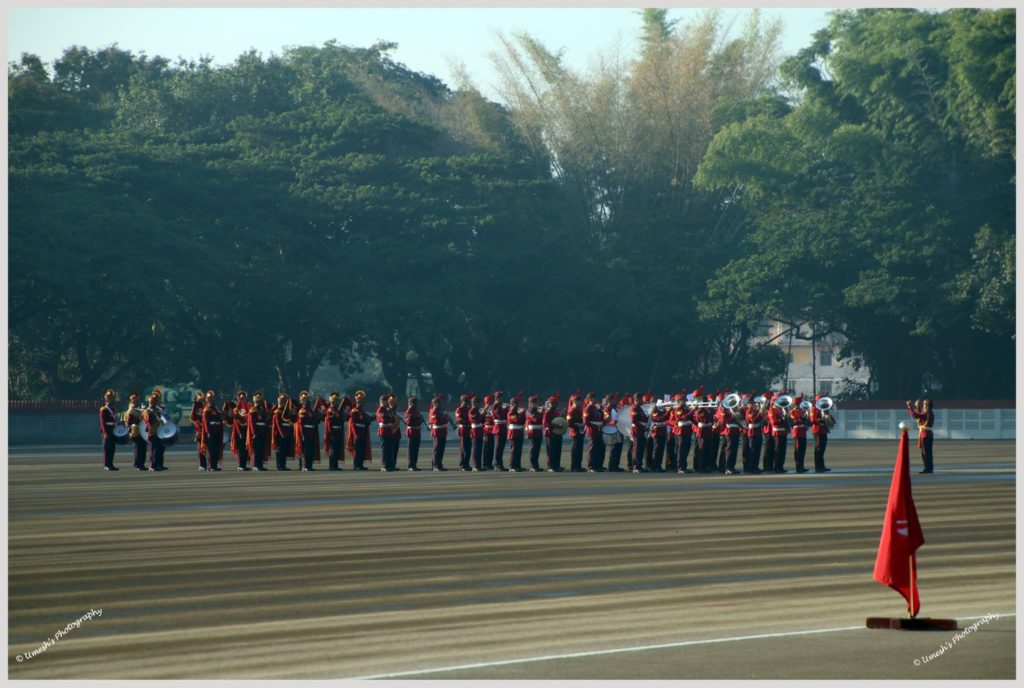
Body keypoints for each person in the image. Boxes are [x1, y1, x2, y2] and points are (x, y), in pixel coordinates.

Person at [295, 392, 325, 471]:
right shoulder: (302, 411)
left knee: (311, 450)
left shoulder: (310, 411)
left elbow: (314, 420)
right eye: (307, 401)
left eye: (308, 401)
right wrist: (303, 435)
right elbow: (301, 424)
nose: (308, 402)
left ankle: (309, 465)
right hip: (306, 434)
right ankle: (305, 466)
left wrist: (319, 415)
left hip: (312, 433)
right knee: (306, 451)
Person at [907, 398, 935, 473]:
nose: (923, 406)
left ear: (927, 406)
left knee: (925, 453)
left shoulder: (927, 412)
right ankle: (929, 468)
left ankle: (927, 468)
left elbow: (915, 415)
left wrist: (910, 407)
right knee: (928, 452)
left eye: (924, 404)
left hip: (925, 434)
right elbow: (921, 414)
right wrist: (917, 406)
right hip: (928, 434)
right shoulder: (929, 412)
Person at [323, 392, 349, 471]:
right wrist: (332, 433)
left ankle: (335, 465)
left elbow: (341, 419)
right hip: (333, 432)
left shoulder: (337, 410)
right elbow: (329, 423)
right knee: (333, 450)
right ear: (332, 402)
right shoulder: (330, 410)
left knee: (337, 449)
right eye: (335, 402)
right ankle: (332, 466)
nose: (337, 403)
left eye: (337, 402)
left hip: (338, 431)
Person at [247, 391, 272, 471]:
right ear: (254, 402)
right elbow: (251, 423)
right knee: (256, 450)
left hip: (262, 432)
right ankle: (255, 465)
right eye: (257, 402)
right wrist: (254, 433)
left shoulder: (262, 410)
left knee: (261, 450)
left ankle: (260, 465)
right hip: (256, 432)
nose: (259, 403)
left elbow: (265, 421)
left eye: (260, 401)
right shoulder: (252, 411)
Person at [347, 390, 372, 470]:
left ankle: (360, 464)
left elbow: (365, 421)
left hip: (362, 433)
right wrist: (355, 435)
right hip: (357, 434)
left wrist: (370, 419)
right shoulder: (354, 411)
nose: (361, 404)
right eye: (360, 402)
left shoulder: (362, 411)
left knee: (362, 450)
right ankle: (356, 465)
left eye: (362, 402)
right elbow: (352, 424)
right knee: (357, 450)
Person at [201, 391, 225, 471]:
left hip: (217, 432)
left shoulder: (216, 410)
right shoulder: (206, 410)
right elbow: (206, 423)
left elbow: (221, 418)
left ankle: (214, 465)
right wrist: (208, 432)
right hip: (211, 433)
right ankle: (211, 466)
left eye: (213, 399)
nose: (212, 401)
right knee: (211, 450)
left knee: (216, 449)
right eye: (210, 399)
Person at [143, 393, 166, 471]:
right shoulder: (147, 411)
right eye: (153, 401)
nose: (154, 403)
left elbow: (164, 419)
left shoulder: (158, 410)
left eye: (155, 401)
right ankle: (152, 466)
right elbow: (148, 421)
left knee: (160, 450)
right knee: (153, 450)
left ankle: (158, 464)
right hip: (152, 432)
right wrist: (155, 414)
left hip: (160, 432)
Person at [809, 395, 832, 473]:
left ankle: (822, 466)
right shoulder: (814, 409)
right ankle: (818, 467)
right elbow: (812, 420)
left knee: (822, 449)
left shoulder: (824, 409)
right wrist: (821, 419)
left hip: (823, 430)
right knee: (818, 449)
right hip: (817, 430)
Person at [124, 391, 147, 470]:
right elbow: (128, 422)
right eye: (135, 400)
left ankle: (141, 464)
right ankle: (137, 465)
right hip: (135, 430)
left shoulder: (140, 409)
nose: (136, 401)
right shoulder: (131, 410)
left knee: (143, 448)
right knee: (137, 448)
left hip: (142, 430)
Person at [272, 394, 296, 471]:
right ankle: (279, 465)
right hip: (280, 434)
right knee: (280, 450)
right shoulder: (277, 412)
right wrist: (282, 434)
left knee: (285, 450)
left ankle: (283, 465)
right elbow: (278, 425)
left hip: (287, 433)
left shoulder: (287, 412)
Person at [584, 392, 606, 472]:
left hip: (599, 431)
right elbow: (586, 421)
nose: (596, 399)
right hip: (592, 431)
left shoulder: (596, 408)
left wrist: (601, 410)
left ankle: (598, 465)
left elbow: (601, 418)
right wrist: (596, 426)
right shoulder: (588, 409)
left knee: (599, 449)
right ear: (590, 399)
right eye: (594, 398)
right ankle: (591, 466)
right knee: (592, 449)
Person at [543, 392, 564, 472]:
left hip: (558, 433)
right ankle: (551, 466)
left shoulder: (557, 411)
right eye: (552, 403)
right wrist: (554, 426)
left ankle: (557, 465)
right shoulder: (547, 412)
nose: (554, 405)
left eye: (555, 403)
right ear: (549, 404)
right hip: (550, 433)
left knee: (558, 450)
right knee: (551, 451)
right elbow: (545, 424)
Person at [231, 391, 252, 471]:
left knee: (246, 449)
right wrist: (239, 432)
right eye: (241, 398)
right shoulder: (236, 409)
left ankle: (244, 465)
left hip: (246, 430)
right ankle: (240, 465)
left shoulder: (248, 406)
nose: (242, 399)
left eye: (243, 398)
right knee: (241, 449)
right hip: (239, 431)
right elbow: (236, 421)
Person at [376, 394, 398, 472]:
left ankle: (389, 465)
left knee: (389, 449)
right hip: (384, 430)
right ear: (382, 401)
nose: (387, 402)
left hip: (389, 430)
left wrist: (390, 415)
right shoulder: (380, 410)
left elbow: (392, 419)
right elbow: (384, 419)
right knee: (384, 450)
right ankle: (384, 466)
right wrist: (390, 416)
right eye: (385, 401)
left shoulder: (387, 410)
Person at [743, 395, 764, 474]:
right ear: (751, 403)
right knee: (753, 451)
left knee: (757, 451)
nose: (756, 404)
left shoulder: (755, 410)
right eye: (754, 403)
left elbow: (760, 420)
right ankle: (752, 467)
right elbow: (753, 420)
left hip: (757, 432)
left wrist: (761, 413)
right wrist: (760, 413)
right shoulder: (749, 411)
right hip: (752, 433)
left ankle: (756, 466)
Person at [99, 388, 119, 471]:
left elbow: (115, 420)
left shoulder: (113, 409)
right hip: (107, 430)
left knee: (112, 449)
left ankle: (111, 464)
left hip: (113, 430)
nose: (112, 400)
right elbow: (102, 422)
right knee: (107, 449)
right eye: (110, 398)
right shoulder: (104, 409)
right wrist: (105, 432)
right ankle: (106, 465)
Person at [428, 395, 450, 471]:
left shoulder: (441, 410)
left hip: (442, 431)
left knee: (441, 449)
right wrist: (445, 418)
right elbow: (436, 421)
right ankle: (435, 465)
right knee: (437, 449)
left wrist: (446, 417)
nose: (440, 404)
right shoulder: (434, 410)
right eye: (438, 403)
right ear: (435, 403)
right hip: (437, 431)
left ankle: (439, 464)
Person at [768, 396, 789, 473]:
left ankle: (781, 466)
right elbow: (774, 422)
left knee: (782, 451)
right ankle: (777, 467)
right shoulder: (772, 410)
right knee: (778, 451)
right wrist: (782, 420)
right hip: (777, 432)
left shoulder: (780, 410)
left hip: (783, 432)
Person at [789, 396, 809, 473]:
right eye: (800, 402)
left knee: (802, 450)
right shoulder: (793, 412)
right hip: (797, 432)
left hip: (802, 431)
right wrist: (803, 418)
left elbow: (804, 420)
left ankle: (802, 466)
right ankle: (798, 467)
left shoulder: (801, 411)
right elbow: (795, 421)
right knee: (798, 450)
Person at [566, 392, 586, 472]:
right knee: (575, 450)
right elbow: (568, 423)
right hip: (575, 432)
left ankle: (578, 466)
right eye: (578, 401)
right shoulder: (571, 411)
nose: (580, 403)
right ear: (574, 402)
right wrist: (578, 425)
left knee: (579, 450)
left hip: (580, 432)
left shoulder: (580, 410)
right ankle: (574, 466)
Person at [506, 394, 526, 472]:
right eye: (515, 403)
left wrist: (522, 414)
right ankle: (512, 466)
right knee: (514, 450)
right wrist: (521, 413)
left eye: (517, 403)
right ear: (512, 404)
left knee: (518, 450)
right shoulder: (510, 412)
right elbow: (516, 420)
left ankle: (517, 465)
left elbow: (522, 421)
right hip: (513, 432)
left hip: (519, 432)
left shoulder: (517, 412)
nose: (516, 405)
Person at [525, 394, 544, 472]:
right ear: (529, 403)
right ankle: (533, 466)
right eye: (533, 402)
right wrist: (541, 413)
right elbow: (535, 419)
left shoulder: (535, 409)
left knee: (537, 449)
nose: (535, 403)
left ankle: (536, 465)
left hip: (538, 431)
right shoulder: (530, 410)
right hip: (533, 431)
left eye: (535, 402)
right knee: (533, 449)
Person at [630, 395, 649, 473]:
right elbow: (634, 420)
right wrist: (642, 427)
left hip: (641, 431)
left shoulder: (639, 408)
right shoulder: (634, 408)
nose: (642, 401)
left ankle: (639, 465)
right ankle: (635, 467)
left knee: (641, 449)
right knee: (637, 449)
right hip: (637, 431)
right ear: (637, 399)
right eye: (641, 399)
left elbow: (642, 419)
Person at [404, 396, 424, 471]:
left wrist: (420, 420)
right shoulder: (408, 412)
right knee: (411, 450)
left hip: (417, 432)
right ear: (409, 404)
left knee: (416, 449)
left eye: (415, 403)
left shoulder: (416, 411)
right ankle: (410, 465)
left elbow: (419, 420)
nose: (415, 405)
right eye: (413, 403)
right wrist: (416, 419)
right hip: (411, 432)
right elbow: (408, 422)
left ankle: (414, 464)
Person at [189, 392, 207, 470]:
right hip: (200, 430)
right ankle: (202, 465)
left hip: (207, 429)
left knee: (209, 448)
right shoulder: (196, 406)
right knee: (201, 448)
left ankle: (210, 464)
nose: (201, 398)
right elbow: (193, 418)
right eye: (199, 397)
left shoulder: (206, 405)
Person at [491, 391, 509, 471]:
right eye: (500, 398)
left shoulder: (500, 406)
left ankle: (499, 463)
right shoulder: (495, 406)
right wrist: (506, 410)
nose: (501, 399)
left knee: (501, 447)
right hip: (498, 428)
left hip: (502, 428)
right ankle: (496, 464)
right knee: (498, 448)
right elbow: (500, 415)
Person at [455, 394, 472, 471]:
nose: (467, 402)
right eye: (465, 401)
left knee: (468, 448)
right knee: (464, 449)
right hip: (463, 430)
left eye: (467, 401)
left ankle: (467, 464)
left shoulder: (469, 409)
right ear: (462, 401)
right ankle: (462, 465)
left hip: (469, 430)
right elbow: (459, 420)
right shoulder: (459, 409)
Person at [468, 393, 485, 471]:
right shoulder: (472, 411)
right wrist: (482, 415)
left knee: (479, 448)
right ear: (473, 403)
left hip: (479, 430)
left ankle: (478, 465)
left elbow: (481, 420)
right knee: (476, 449)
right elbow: (476, 420)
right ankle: (475, 466)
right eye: (477, 402)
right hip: (475, 430)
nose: (478, 404)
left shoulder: (477, 410)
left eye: (478, 402)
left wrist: (483, 415)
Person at [482, 395, 496, 470]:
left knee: (491, 447)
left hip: (492, 430)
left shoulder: (492, 409)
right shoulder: (483, 410)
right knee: (486, 448)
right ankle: (485, 464)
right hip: (486, 431)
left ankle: (489, 463)